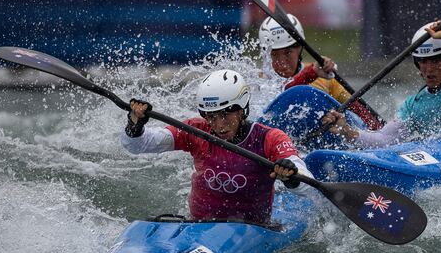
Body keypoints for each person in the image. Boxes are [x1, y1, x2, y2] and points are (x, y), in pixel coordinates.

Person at [121, 69, 313, 224]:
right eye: (211, 116)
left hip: (250, 230)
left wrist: (290, 175)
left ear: (242, 109)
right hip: (197, 224)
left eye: (225, 115)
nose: (219, 125)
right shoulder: (196, 130)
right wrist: (135, 124)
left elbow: (307, 183)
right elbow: (139, 145)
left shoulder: (269, 138)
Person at [320, 21, 441, 149]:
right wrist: (347, 131)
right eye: (422, 61)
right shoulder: (413, 106)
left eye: (436, 61)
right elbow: (384, 140)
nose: (428, 69)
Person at [258, 15, 382, 129]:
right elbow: (283, 97)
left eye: (287, 53)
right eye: (274, 55)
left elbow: (357, 110)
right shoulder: (258, 82)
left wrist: (378, 130)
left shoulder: (323, 78)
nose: (282, 63)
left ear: (300, 48)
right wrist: (311, 74)